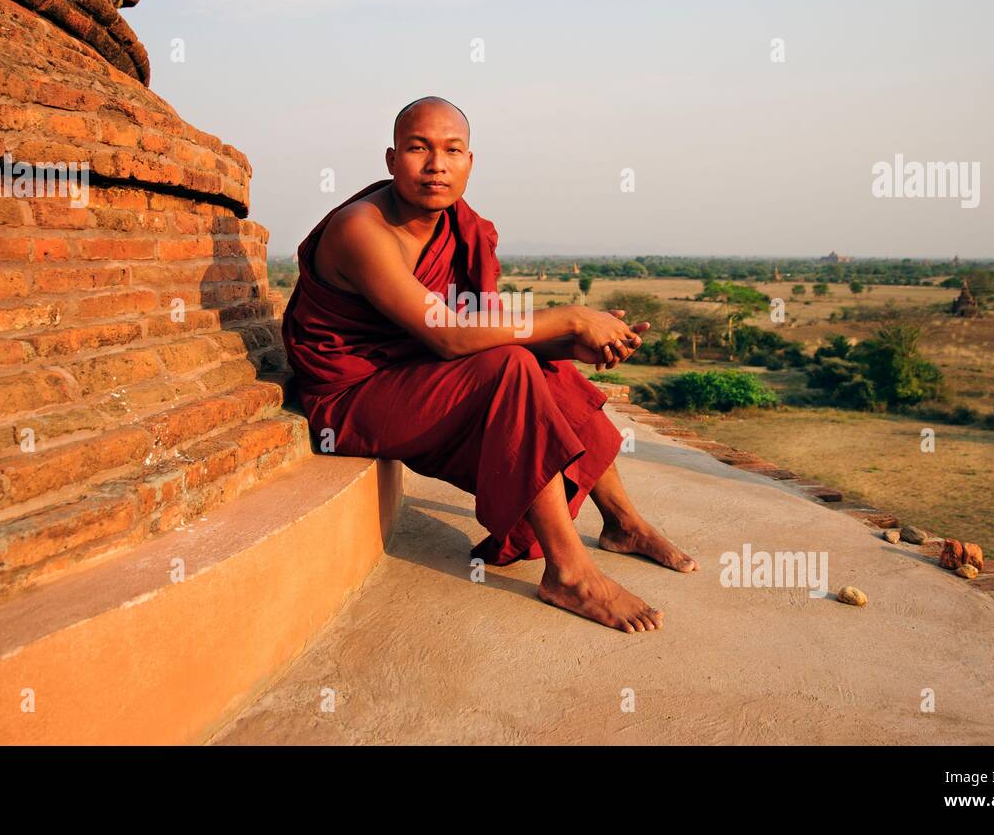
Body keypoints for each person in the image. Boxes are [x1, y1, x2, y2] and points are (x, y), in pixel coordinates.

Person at [281, 96, 697, 633]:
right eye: (418, 149)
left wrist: (575, 348)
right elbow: (451, 338)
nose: (436, 165)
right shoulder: (361, 228)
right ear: (390, 160)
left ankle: (623, 523)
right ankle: (568, 572)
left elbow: (483, 330)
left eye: (452, 150)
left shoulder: (462, 227)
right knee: (512, 369)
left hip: (417, 372)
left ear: (470, 163)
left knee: (543, 369)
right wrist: (569, 318)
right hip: (353, 396)